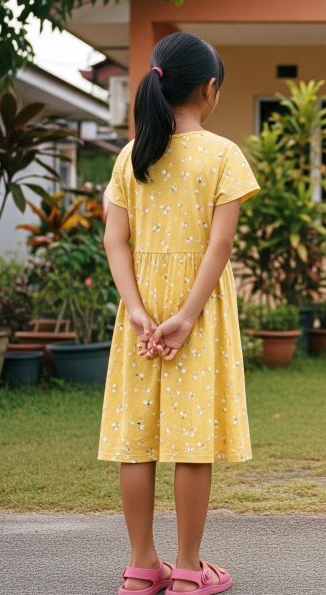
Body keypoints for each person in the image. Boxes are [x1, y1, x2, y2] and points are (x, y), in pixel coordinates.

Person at [98, 32, 260, 595]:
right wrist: (187, 316)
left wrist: (138, 310)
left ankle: (142, 565)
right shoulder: (223, 155)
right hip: (197, 310)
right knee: (192, 438)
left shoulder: (131, 154)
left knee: (136, 437)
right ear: (210, 89)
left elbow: (114, 241)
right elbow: (219, 248)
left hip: (141, 314)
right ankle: (190, 569)